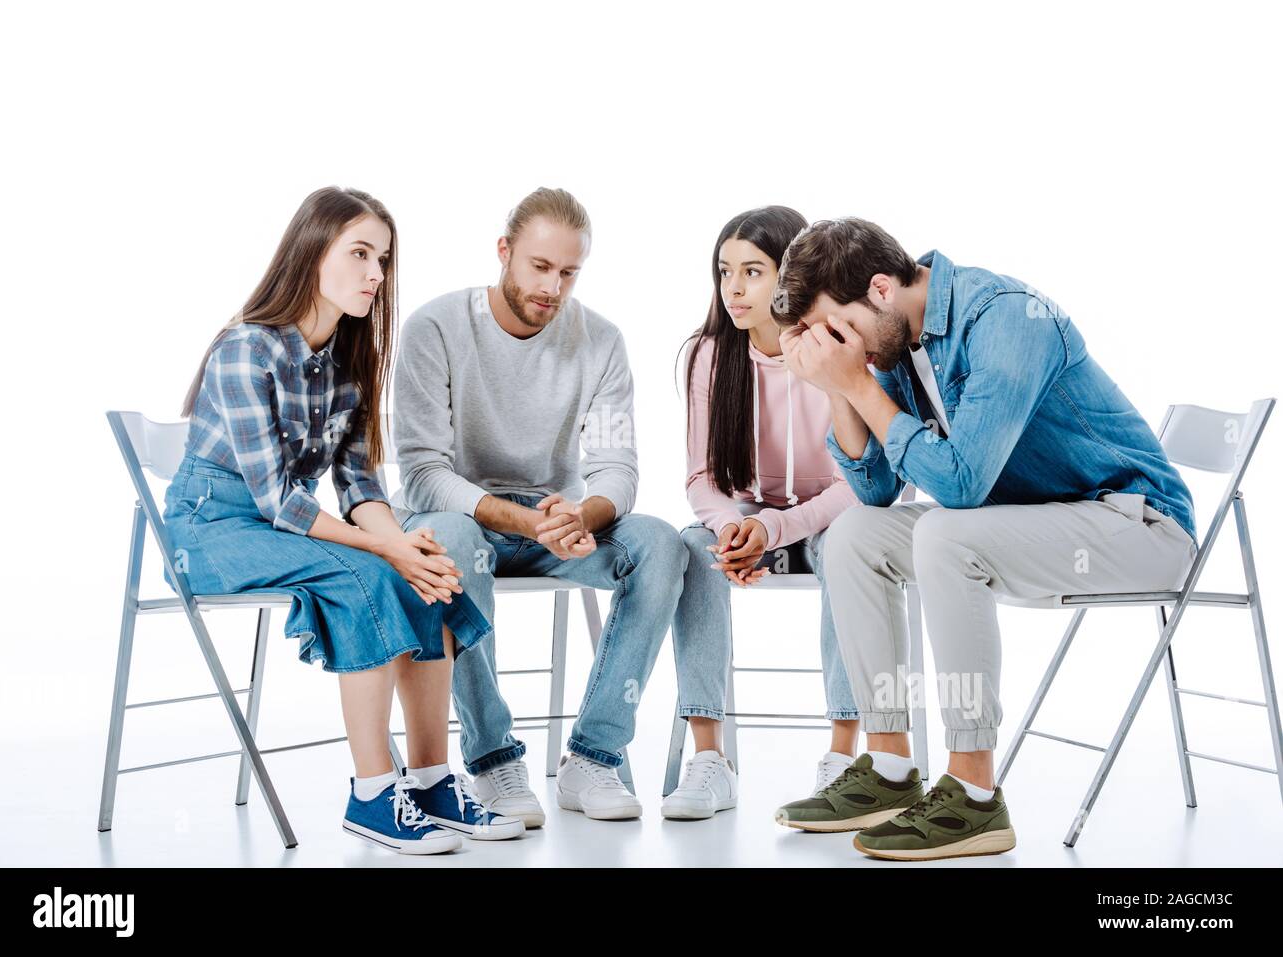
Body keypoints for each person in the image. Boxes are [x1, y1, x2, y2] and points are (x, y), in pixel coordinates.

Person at [772, 218, 1196, 860]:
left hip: (1137, 526)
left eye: (839, 331)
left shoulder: (1004, 316)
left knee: (944, 534)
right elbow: (876, 491)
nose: (841, 349)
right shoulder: (894, 338)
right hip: (1038, 520)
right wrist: (840, 387)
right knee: (854, 535)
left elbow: (961, 485)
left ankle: (974, 794)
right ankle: (888, 769)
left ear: (881, 289)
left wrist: (855, 382)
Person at [162, 186, 524, 855]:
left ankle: (431, 780)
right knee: (368, 576)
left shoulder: (348, 366)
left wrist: (406, 548)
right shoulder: (246, 349)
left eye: (382, 259)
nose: (376, 273)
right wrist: (383, 551)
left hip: (282, 527)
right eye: (359, 253)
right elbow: (278, 499)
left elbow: (360, 487)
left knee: (426, 576)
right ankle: (372, 794)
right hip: (211, 528)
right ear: (311, 251)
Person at [390, 187, 689, 823]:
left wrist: (584, 516)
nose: (553, 287)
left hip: (555, 524)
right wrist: (526, 520)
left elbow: (617, 467)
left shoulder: (601, 341)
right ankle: (493, 761)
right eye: (540, 266)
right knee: (451, 541)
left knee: (661, 544)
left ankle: (593, 757)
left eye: (569, 272)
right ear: (504, 251)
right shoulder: (435, 327)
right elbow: (421, 474)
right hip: (458, 518)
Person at [664, 206, 878, 827]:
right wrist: (732, 527)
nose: (733, 288)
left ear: (789, 277)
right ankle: (710, 758)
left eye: (752, 272)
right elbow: (702, 478)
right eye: (724, 271)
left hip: (827, 521)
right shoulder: (706, 354)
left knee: (850, 547)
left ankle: (843, 757)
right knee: (692, 547)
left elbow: (858, 486)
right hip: (749, 515)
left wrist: (772, 530)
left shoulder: (840, 351)